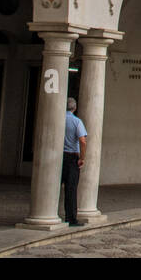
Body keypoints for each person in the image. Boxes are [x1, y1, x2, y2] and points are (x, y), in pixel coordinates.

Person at [62, 96, 87, 226]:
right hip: (72, 158)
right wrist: (82, 158)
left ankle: (51, 213)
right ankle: (70, 218)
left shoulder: (60, 119)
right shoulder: (77, 122)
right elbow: (82, 140)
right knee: (71, 189)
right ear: (75, 108)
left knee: (55, 187)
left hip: (59, 157)